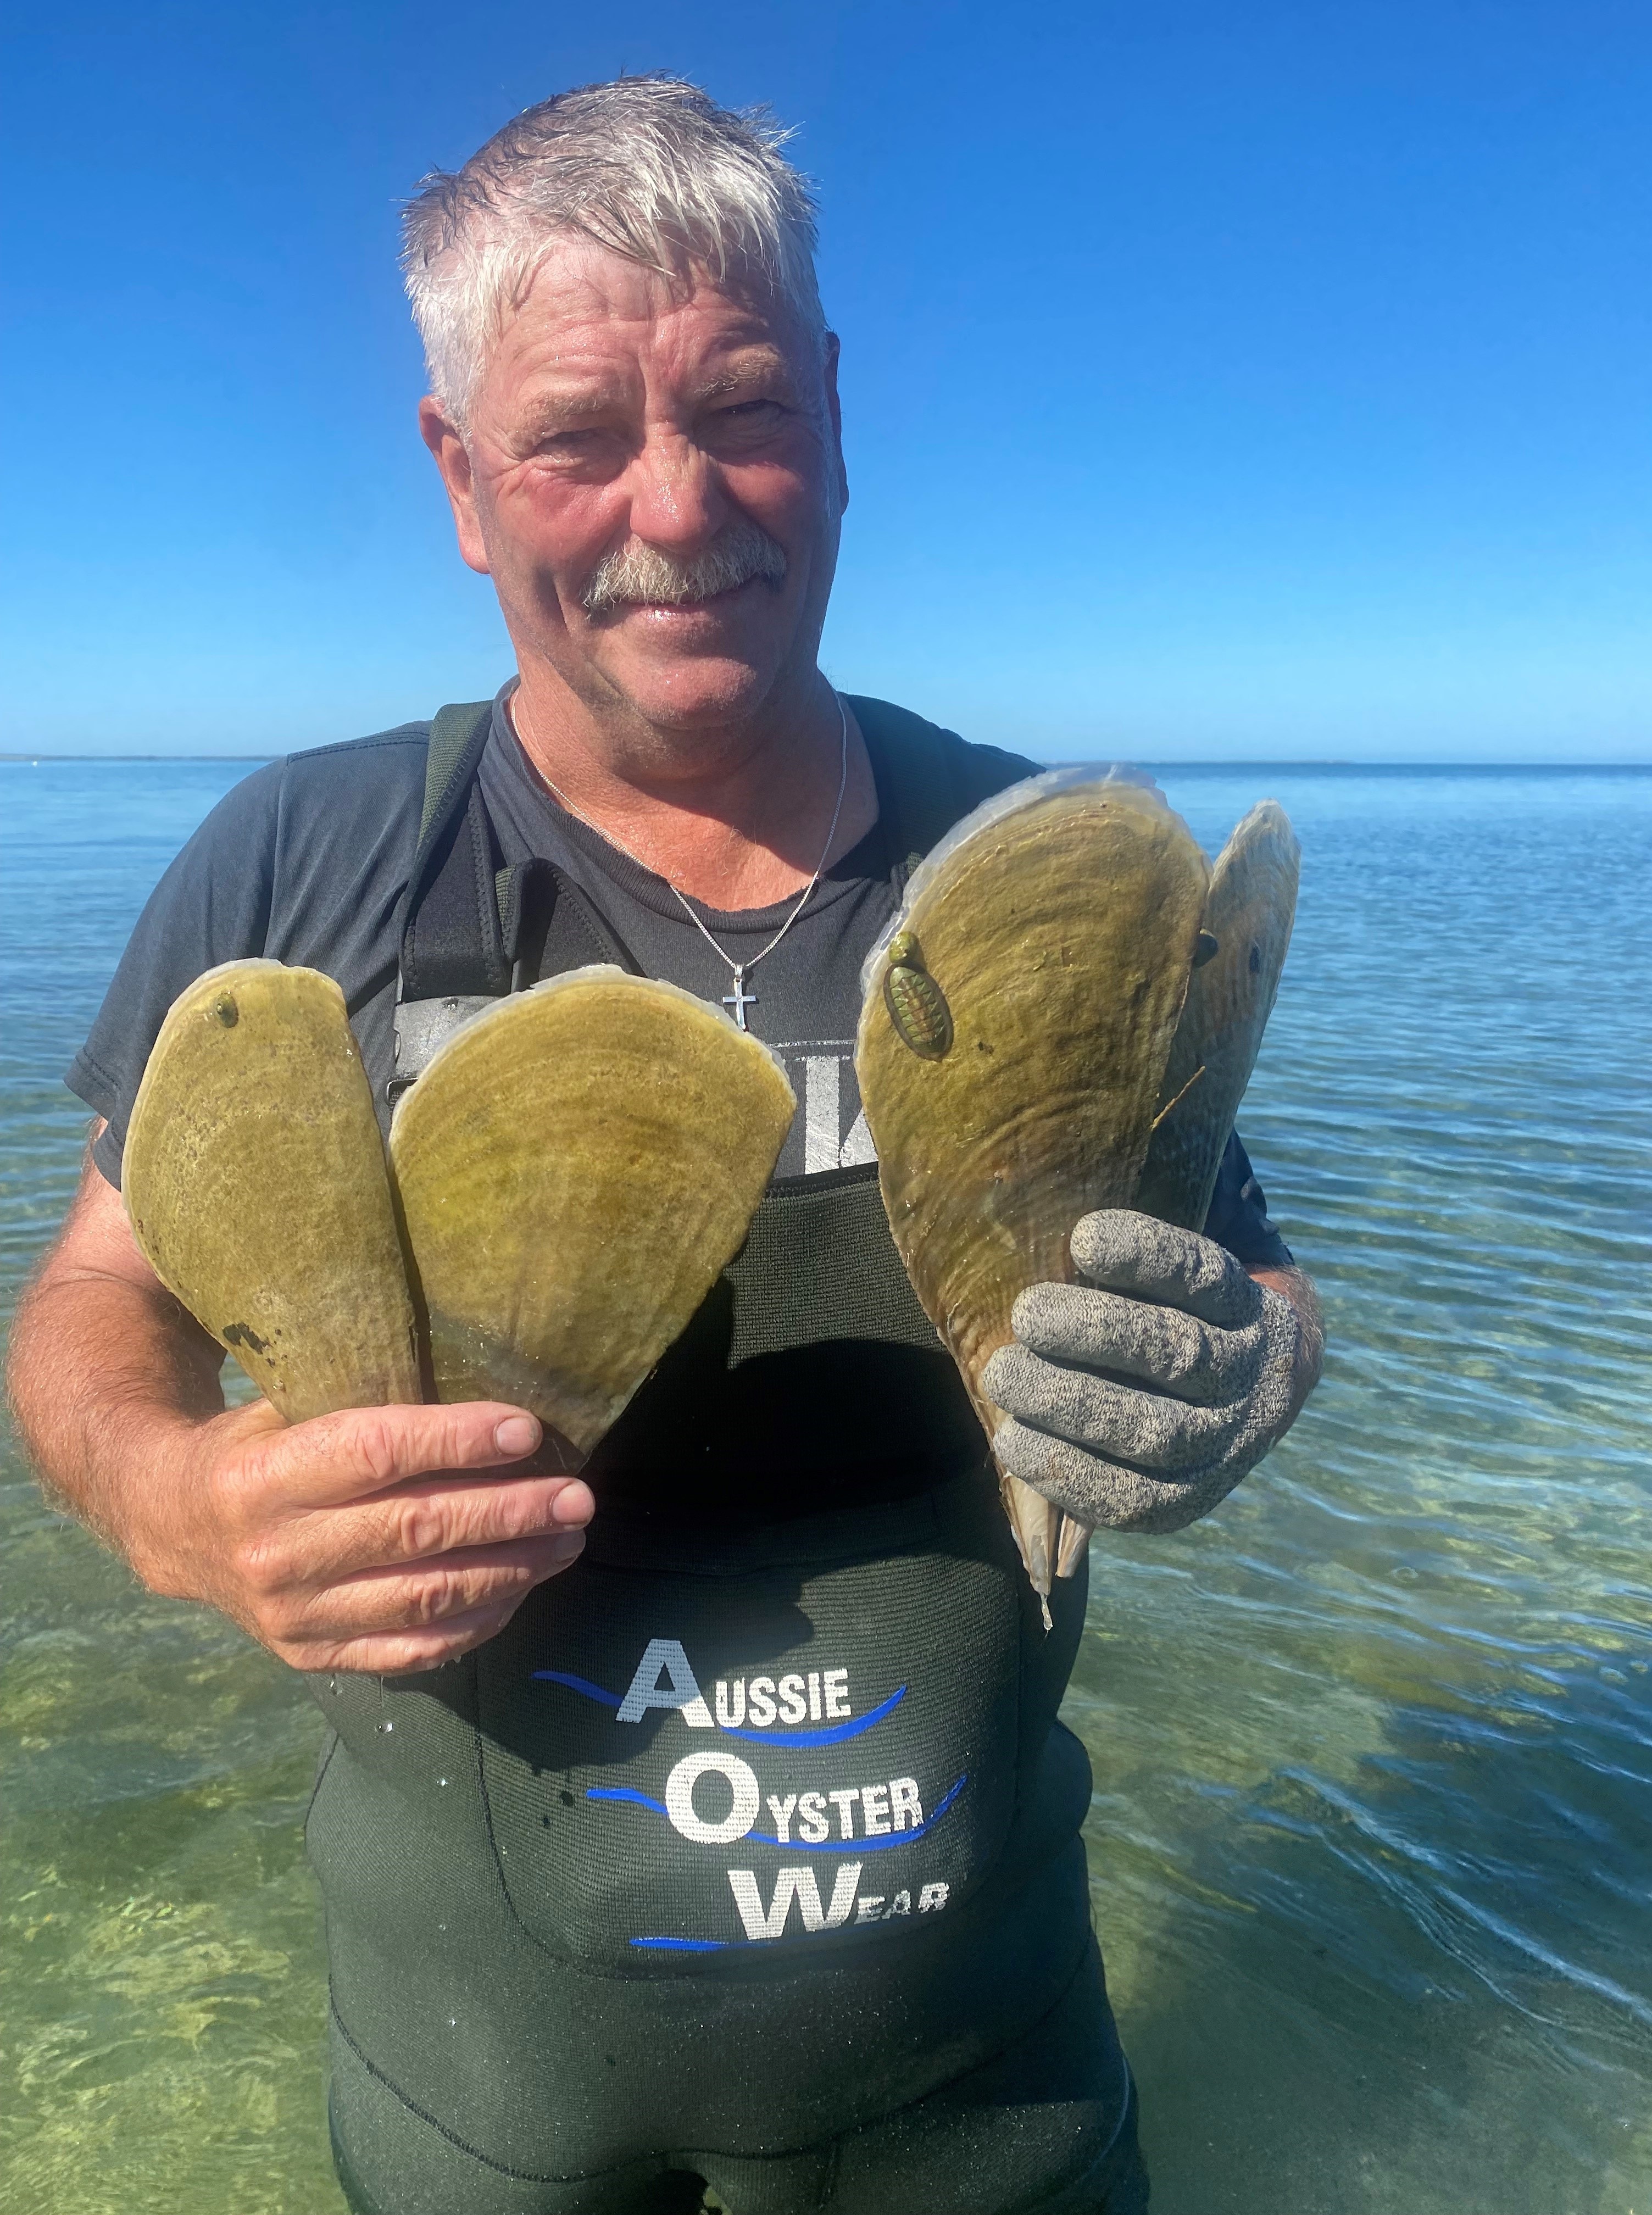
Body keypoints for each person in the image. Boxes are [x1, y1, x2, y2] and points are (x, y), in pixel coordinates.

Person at [7, 77, 1323, 2215]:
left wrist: (1248, 1373)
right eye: (578, 435)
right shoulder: (309, 862)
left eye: (742, 406)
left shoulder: (1039, 876)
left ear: (837, 399)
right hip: (478, 2103)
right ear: (457, 474)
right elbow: (96, 1300)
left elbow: (1240, 1272)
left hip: (985, 2098)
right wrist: (174, 1498)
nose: (679, 502)